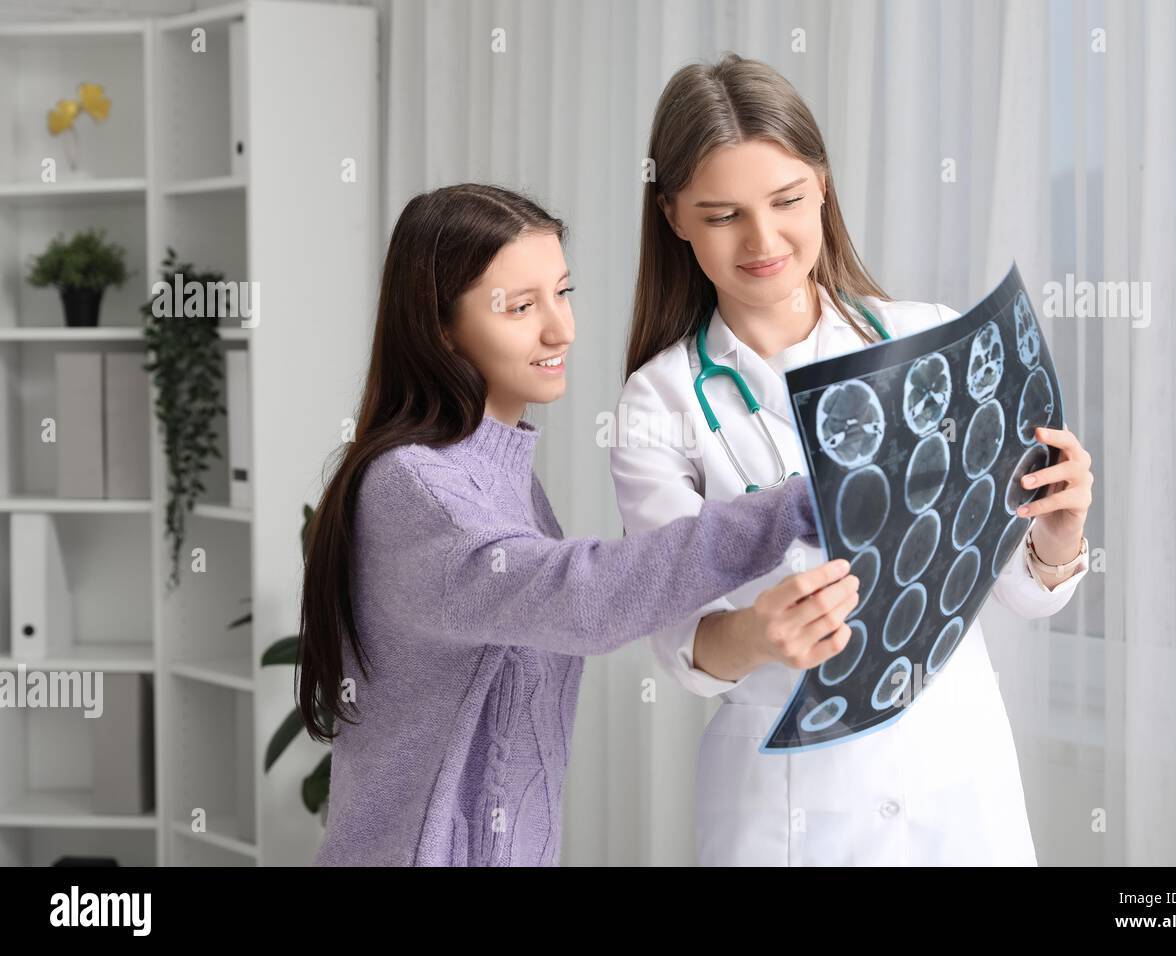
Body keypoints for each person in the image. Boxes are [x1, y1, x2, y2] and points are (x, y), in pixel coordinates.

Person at [612, 53, 1094, 866]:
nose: (763, 240)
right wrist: (763, 636)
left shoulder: (923, 338)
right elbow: (682, 644)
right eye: (723, 213)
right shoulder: (658, 403)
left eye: (788, 200)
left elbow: (1019, 588)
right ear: (675, 218)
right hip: (790, 802)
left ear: (823, 186)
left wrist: (1058, 530)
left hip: (959, 782)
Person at [301, 183, 850, 866]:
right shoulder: (415, 488)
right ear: (440, 326)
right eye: (522, 307)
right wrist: (806, 501)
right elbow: (586, 597)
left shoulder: (508, 484)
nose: (561, 330)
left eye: (562, 293)